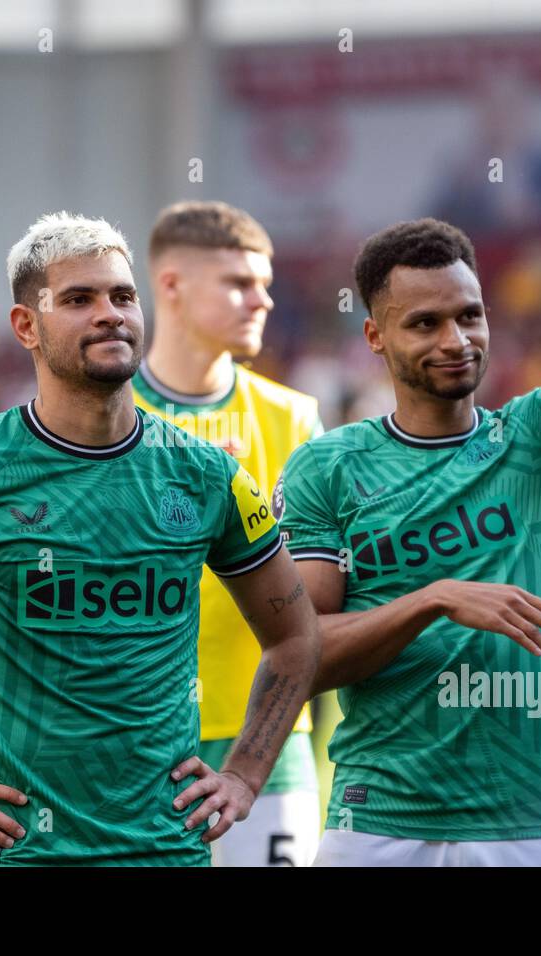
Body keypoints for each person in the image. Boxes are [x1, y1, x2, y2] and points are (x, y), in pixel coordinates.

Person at [0, 211, 321, 866]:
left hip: (166, 854)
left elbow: (297, 635)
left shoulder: (207, 473)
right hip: (17, 856)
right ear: (27, 326)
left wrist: (243, 774)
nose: (110, 314)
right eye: (79, 299)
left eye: (122, 296)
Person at [278, 89, 541, 866]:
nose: (456, 339)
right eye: (425, 322)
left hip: (537, 824)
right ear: (374, 336)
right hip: (379, 821)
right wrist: (434, 599)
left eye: (469, 316)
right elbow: (307, 652)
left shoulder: (538, 439)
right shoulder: (328, 465)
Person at [132, 200, 323, 866]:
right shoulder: (104, 418)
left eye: (265, 283)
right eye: (240, 283)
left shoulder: (295, 419)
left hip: (267, 741)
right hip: (137, 743)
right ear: (172, 285)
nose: (262, 300)